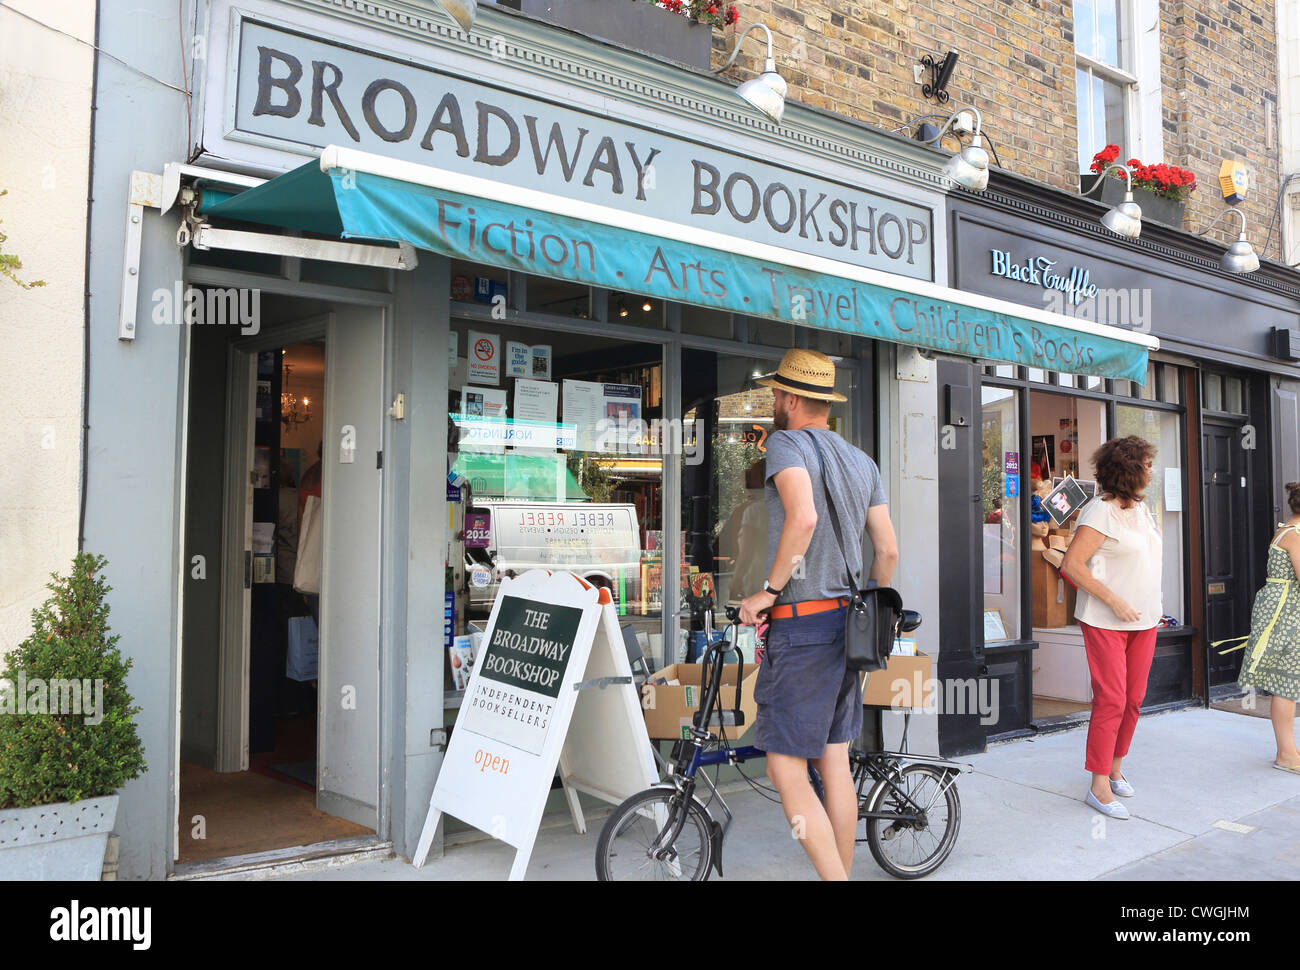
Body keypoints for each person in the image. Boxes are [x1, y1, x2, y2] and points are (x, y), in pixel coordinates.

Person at [738, 348, 898, 880]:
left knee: (784, 765)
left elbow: (802, 517)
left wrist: (768, 591)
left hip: (803, 625)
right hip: (848, 626)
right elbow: (888, 551)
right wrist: (870, 605)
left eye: (775, 394)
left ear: (789, 399)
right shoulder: (862, 461)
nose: (773, 401)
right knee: (834, 762)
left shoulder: (785, 444)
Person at [1059, 435, 1161, 820]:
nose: (1151, 470)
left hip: (1145, 620)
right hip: (1105, 620)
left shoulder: (1141, 509)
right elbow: (1072, 565)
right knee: (1112, 699)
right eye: (1146, 464)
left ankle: (1116, 768)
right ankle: (1098, 785)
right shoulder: (1099, 512)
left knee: (1133, 699)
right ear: (1128, 469)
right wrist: (1114, 600)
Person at [1233, 481, 1300, 772]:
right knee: (1286, 682)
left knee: (1288, 682)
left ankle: (1289, 750)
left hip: (1285, 611)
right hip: (1286, 614)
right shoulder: (1294, 535)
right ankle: (1286, 754)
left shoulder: (1288, 530)